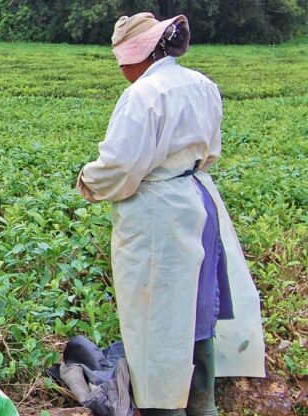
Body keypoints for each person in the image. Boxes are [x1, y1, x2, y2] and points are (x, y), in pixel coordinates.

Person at [77, 12, 266, 415]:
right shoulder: (202, 85)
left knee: (158, 317)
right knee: (195, 307)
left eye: (122, 62)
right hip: (197, 199)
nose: (122, 71)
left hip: (158, 214)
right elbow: (210, 150)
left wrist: (88, 180)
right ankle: (202, 403)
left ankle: (165, 407)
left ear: (136, 56)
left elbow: (121, 167)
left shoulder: (143, 95)